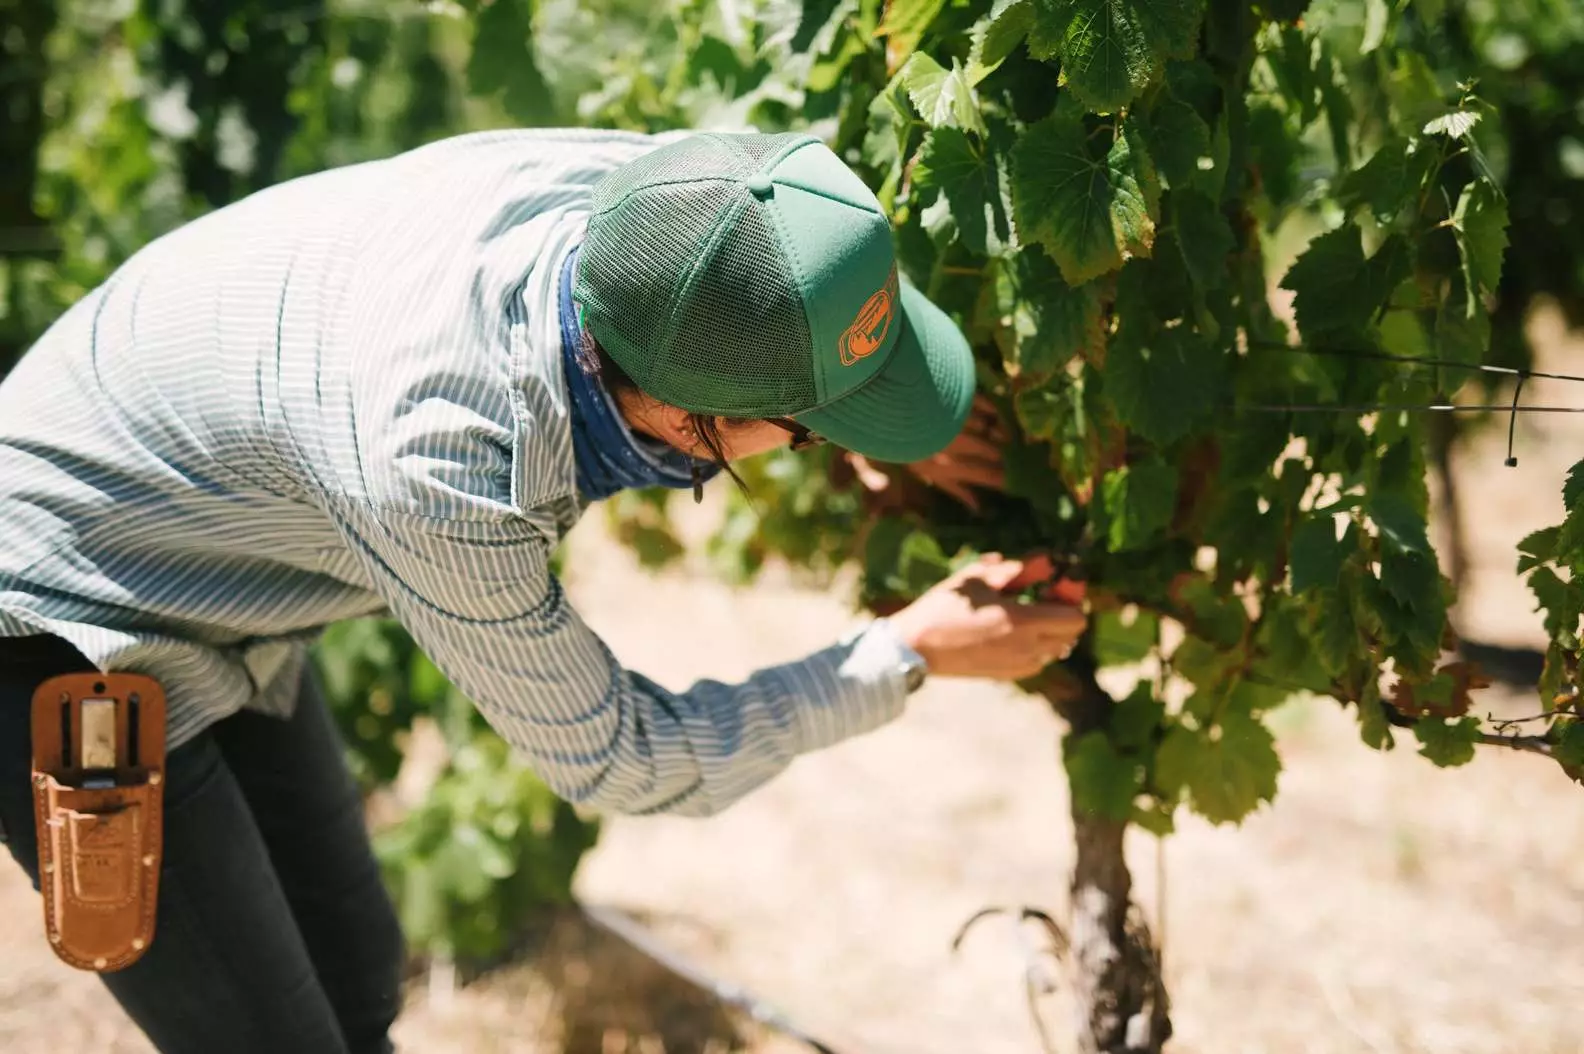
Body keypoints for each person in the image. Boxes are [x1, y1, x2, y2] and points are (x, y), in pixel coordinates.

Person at [0, 128, 1086, 1054]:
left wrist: (843, 409)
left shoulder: (681, 209)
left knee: (360, 972)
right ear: (681, 415)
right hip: (59, 608)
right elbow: (629, 759)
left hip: (218, 542)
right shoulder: (448, 469)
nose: (813, 447)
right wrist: (908, 653)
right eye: (801, 431)